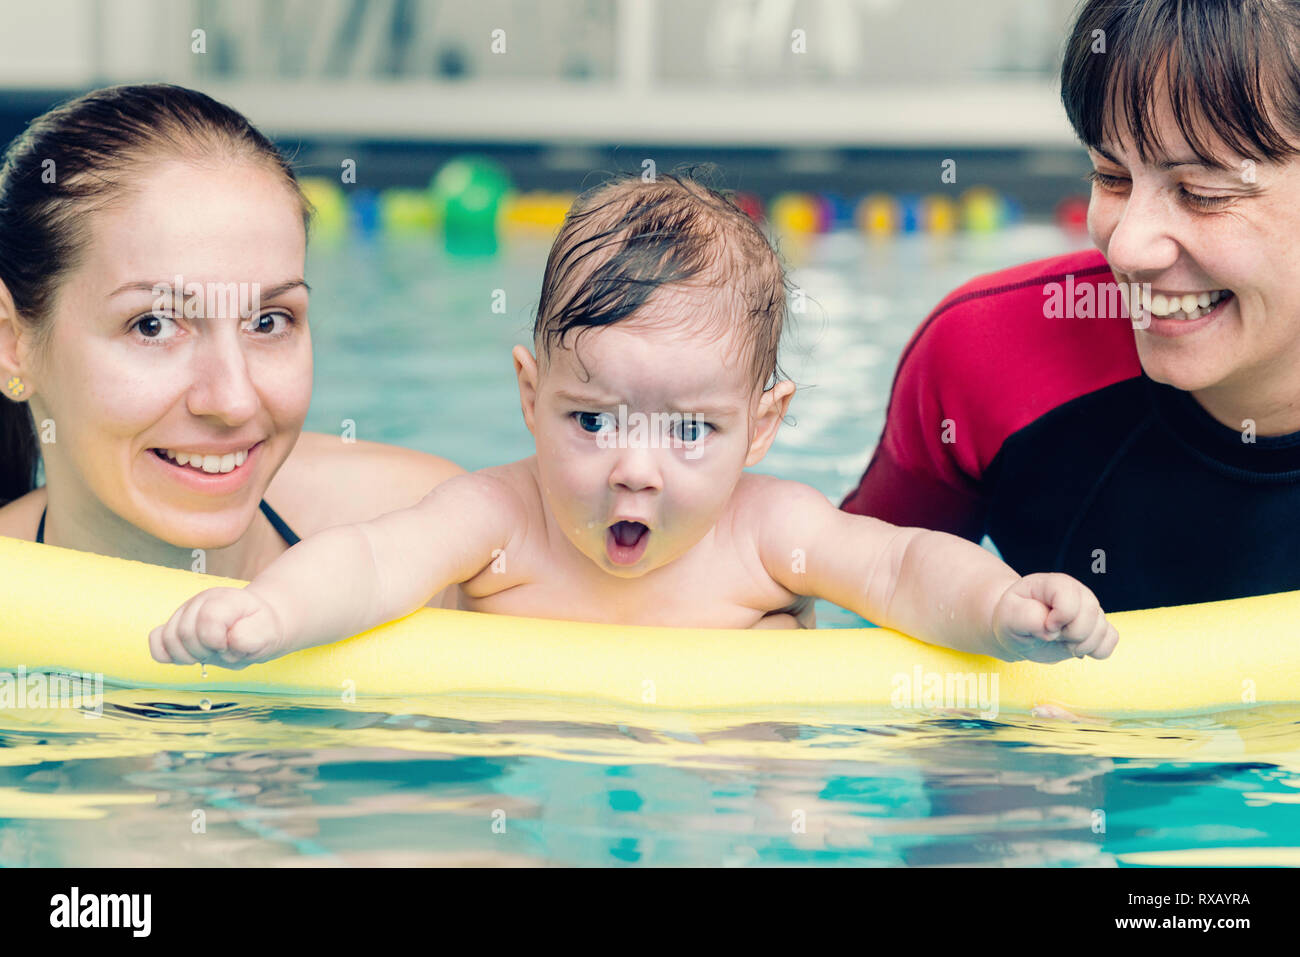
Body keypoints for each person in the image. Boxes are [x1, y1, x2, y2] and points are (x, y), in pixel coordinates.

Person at [149, 173, 1118, 668]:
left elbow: (904, 568)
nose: (635, 471)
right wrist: (270, 612)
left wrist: (1001, 608)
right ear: (530, 397)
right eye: (591, 421)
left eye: (690, 431)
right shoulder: (496, 518)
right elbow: (368, 562)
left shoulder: (766, 532)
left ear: (764, 423)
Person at [841, 0, 1300, 612]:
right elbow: (848, 616)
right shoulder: (990, 356)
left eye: (1200, 193)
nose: (1129, 248)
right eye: (1110, 177)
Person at [0, 84, 462, 589]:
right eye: (153, 325)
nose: (234, 401)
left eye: (268, 321)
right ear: (11, 344)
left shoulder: (435, 539)